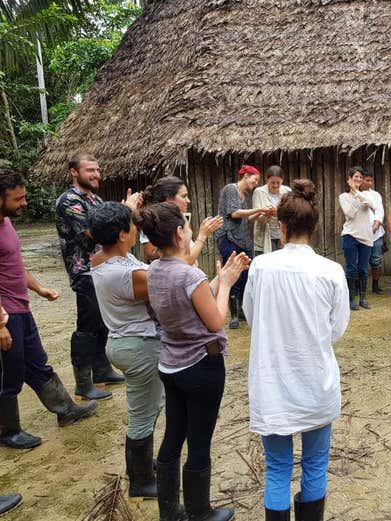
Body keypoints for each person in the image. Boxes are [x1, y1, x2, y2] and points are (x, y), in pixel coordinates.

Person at [244, 179, 349, 521]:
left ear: (281, 226)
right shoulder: (331, 271)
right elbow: (337, 329)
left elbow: (251, 316)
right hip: (316, 381)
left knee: (277, 467)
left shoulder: (261, 267)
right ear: (314, 226)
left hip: (272, 384)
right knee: (315, 463)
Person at [136, 202, 248, 521]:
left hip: (171, 365)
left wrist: (218, 279)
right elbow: (216, 321)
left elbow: (192, 299)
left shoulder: (154, 270)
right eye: (187, 226)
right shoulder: (189, 274)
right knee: (199, 442)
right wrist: (227, 284)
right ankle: (200, 512)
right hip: (201, 366)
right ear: (178, 233)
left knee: (173, 436)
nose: (190, 231)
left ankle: (169, 511)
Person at [0, 173, 97, 450]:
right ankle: (8, 431)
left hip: (20, 308)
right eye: (18, 199)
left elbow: (15, 265)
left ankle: (65, 410)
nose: (24, 203)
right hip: (5, 314)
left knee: (36, 362)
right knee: (8, 372)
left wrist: (40, 289)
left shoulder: (7, 223)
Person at [89, 202, 164, 500]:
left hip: (122, 341)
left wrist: (126, 208)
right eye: (133, 226)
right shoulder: (127, 275)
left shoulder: (102, 257)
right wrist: (195, 242)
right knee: (143, 413)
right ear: (122, 234)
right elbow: (169, 283)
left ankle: (142, 465)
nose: (136, 231)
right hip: (138, 346)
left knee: (145, 407)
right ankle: (141, 480)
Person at [55, 153, 125, 401]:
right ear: (74, 172)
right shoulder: (69, 201)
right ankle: (83, 384)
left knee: (102, 322)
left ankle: (102, 370)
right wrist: (124, 213)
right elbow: (92, 233)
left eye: (97, 170)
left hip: (102, 268)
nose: (96, 174)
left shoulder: (95, 199)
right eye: (90, 170)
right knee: (86, 326)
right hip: (84, 270)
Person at [214, 165, 263, 329]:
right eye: (255, 180)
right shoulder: (230, 189)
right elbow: (234, 213)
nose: (256, 183)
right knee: (233, 272)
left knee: (246, 273)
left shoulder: (246, 195)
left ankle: (242, 310)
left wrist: (262, 213)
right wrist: (259, 208)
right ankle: (233, 314)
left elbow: (246, 218)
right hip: (227, 236)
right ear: (246, 176)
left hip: (243, 237)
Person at [140, 176, 223, 265]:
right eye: (184, 196)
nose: (188, 201)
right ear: (168, 199)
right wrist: (202, 235)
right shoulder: (154, 221)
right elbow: (183, 261)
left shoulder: (182, 218)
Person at [339, 167, 375, 310]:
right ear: (349, 179)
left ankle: (363, 298)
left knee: (363, 269)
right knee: (351, 268)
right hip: (350, 235)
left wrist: (358, 193)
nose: (358, 179)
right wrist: (355, 196)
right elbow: (349, 213)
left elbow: (371, 205)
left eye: (360, 177)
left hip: (366, 236)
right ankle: (351, 299)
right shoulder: (343, 197)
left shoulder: (367, 195)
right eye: (355, 177)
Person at [251, 165, 291, 256]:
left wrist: (278, 213)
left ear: (282, 180)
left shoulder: (287, 191)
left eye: (278, 182)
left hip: (283, 235)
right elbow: (255, 216)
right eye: (272, 182)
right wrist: (267, 214)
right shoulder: (259, 192)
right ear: (267, 179)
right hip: (264, 234)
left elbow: (291, 214)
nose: (275, 185)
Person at [360, 172, 386, 295]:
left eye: (371, 180)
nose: (369, 183)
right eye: (367, 180)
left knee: (376, 260)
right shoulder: (355, 194)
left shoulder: (376, 195)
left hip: (376, 233)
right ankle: (360, 287)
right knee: (361, 261)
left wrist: (375, 227)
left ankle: (375, 285)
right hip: (360, 233)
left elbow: (379, 211)